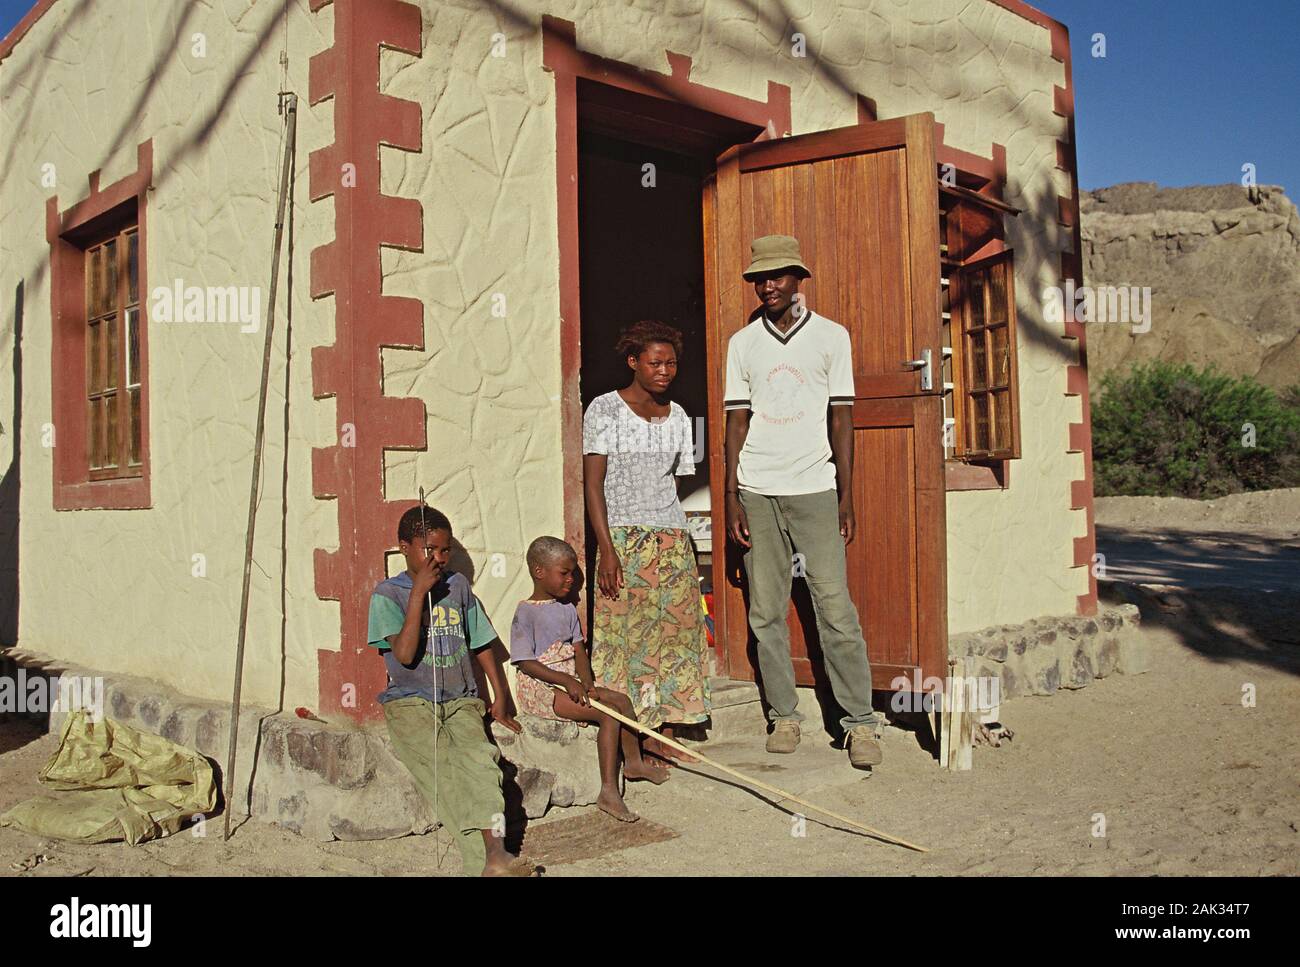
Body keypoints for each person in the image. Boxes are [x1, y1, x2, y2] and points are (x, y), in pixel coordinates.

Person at [723, 234, 884, 769]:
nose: (768, 286)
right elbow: (735, 420)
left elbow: (842, 415)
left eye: (777, 276)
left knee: (834, 607)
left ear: (798, 278)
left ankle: (859, 724)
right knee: (765, 610)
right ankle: (785, 716)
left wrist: (846, 494)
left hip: (815, 489)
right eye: (759, 278)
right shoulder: (743, 344)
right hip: (758, 489)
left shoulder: (833, 337)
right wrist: (732, 496)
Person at [366, 504, 533, 876]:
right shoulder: (387, 595)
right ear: (404, 546)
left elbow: (482, 644)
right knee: (445, 774)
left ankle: (496, 851)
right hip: (410, 704)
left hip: (461, 701)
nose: (439, 558)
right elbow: (405, 654)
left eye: (445, 550)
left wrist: (500, 695)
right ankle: (487, 863)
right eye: (430, 549)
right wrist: (417, 597)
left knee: (483, 766)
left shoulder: (457, 586)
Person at [582, 321, 712, 762]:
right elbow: (593, 486)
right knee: (627, 638)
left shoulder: (679, 415)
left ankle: (669, 728)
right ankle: (635, 730)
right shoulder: (603, 410)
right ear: (633, 362)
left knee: (675, 635)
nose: (664, 371)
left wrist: (670, 535)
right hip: (622, 537)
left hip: (672, 538)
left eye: (671, 363)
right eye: (655, 363)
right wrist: (608, 551)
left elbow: (674, 484)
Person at [510, 536, 670, 822]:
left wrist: (587, 683)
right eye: (564, 573)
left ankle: (633, 763)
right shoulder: (526, 612)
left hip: (569, 680)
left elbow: (580, 653)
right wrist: (566, 681)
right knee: (608, 716)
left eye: (573, 573)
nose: (570, 579)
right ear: (539, 572)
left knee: (620, 700)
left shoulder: (567, 609)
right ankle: (608, 791)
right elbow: (525, 662)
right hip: (542, 687)